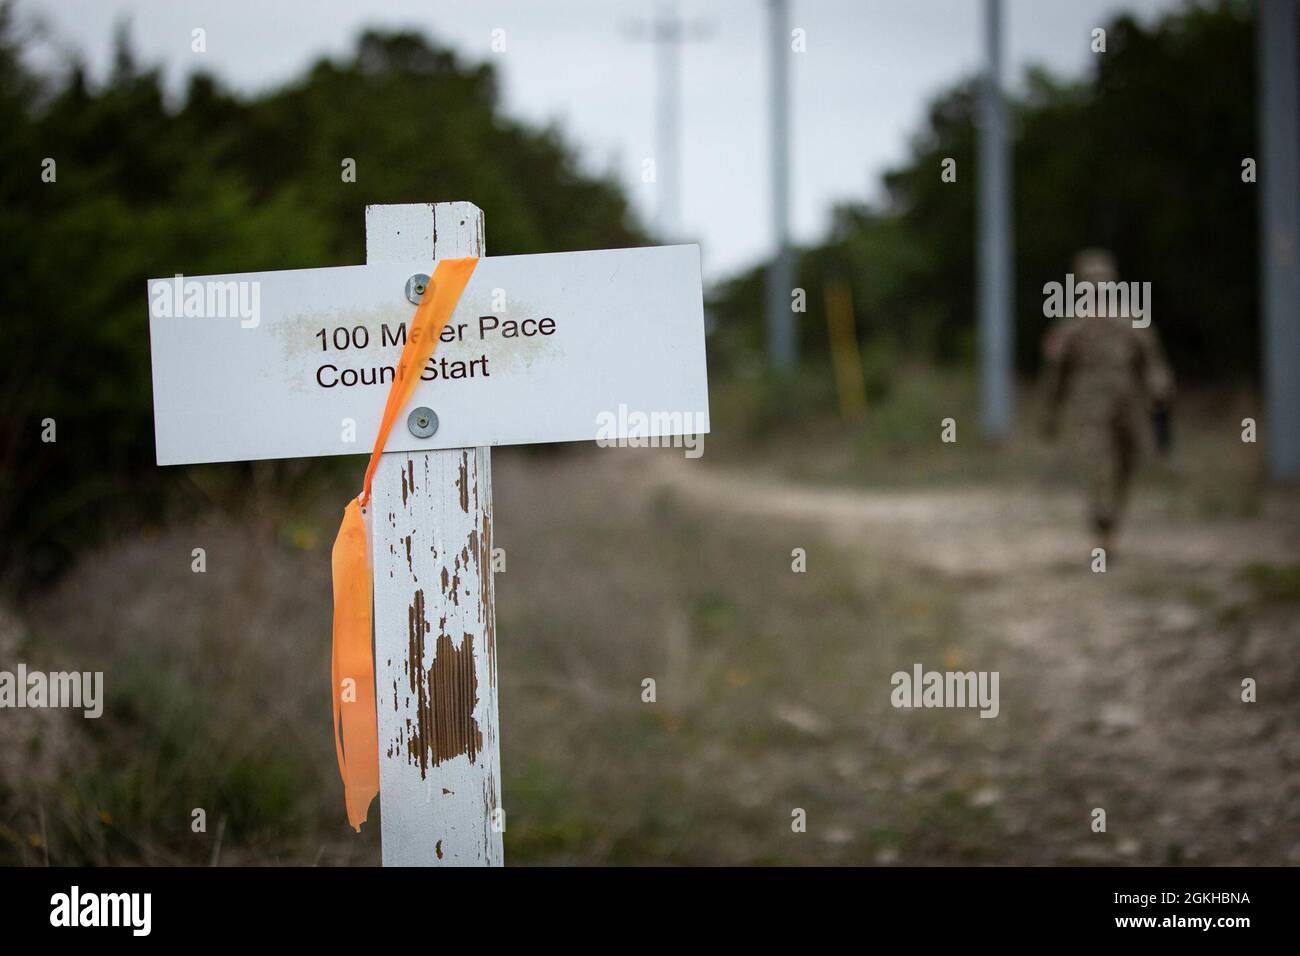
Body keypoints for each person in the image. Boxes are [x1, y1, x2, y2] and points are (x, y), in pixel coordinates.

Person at [1040, 250, 1174, 552]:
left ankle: (1112, 518)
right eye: (1090, 282)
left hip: (1128, 407)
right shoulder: (1070, 329)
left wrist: (1159, 392)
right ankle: (1101, 523)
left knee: (1128, 461)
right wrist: (1050, 414)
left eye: (1102, 282)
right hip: (1089, 410)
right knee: (1096, 463)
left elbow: (1153, 363)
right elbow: (1056, 376)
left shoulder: (1132, 322)